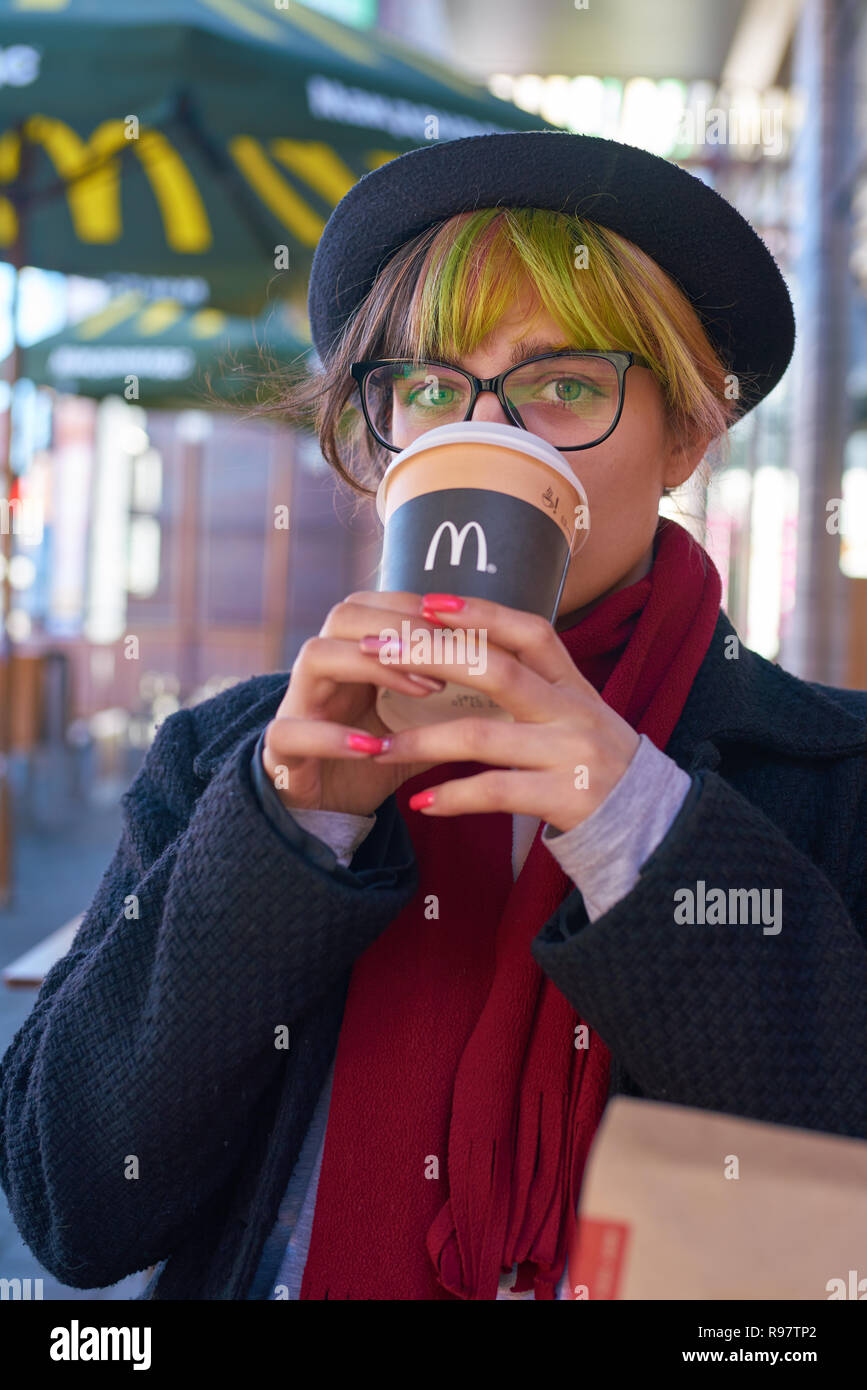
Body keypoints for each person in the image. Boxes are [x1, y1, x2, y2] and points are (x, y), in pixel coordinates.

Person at [1, 132, 865, 1303]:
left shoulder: (831, 774)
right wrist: (282, 835)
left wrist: (638, 828)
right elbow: (74, 1201)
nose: (488, 433)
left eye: (565, 384)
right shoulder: (225, 757)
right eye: (429, 387)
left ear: (688, 437)